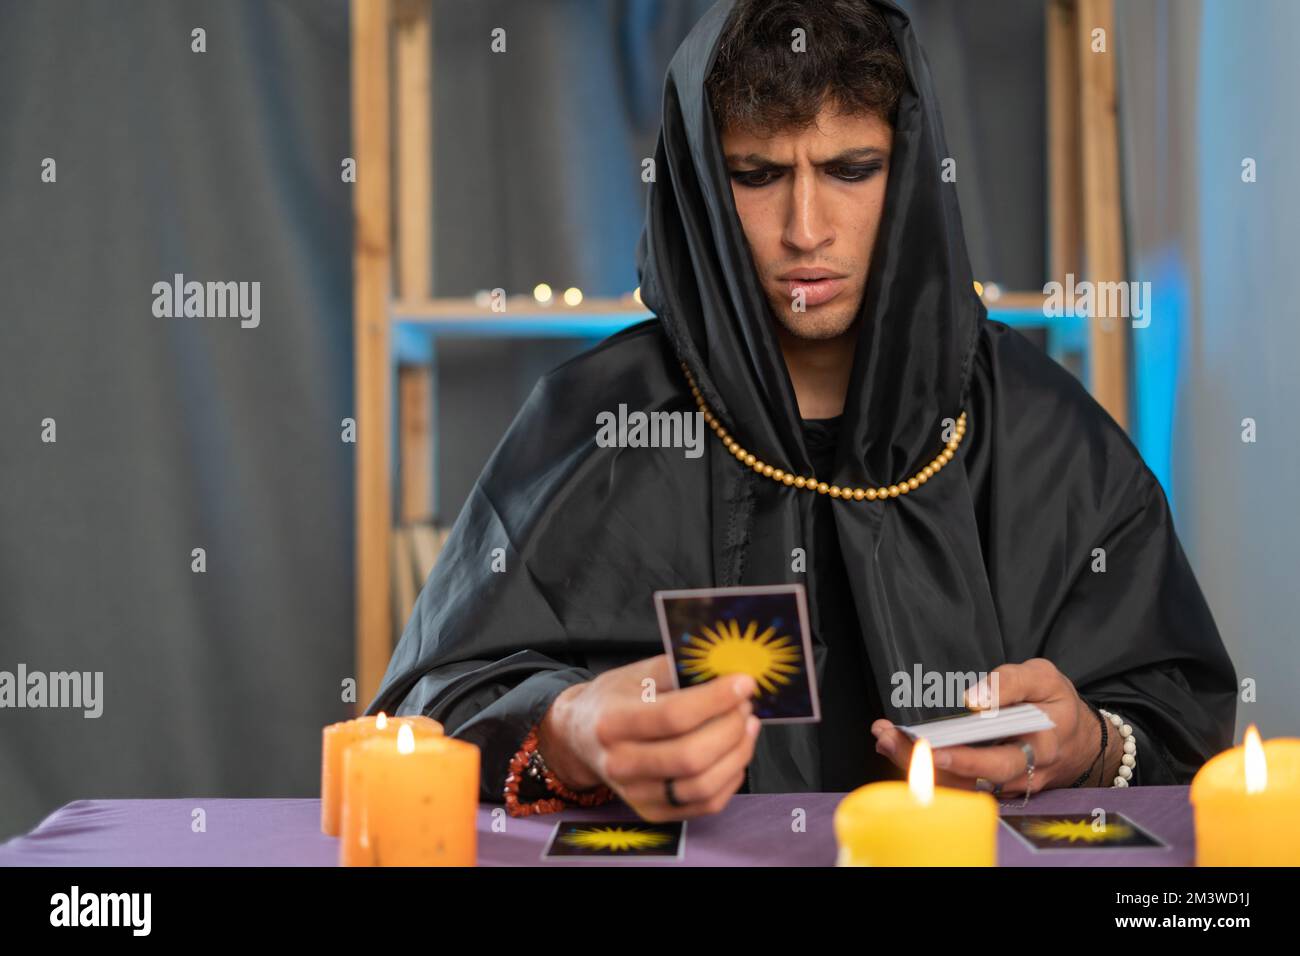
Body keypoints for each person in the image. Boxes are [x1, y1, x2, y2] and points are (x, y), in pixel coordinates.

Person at [365, 0, 1236, 822]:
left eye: (851, 169)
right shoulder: (593, 420)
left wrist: (1090, 744)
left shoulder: (1042, 429)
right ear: (705, 188)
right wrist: (566, 730)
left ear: (909, 172)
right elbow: (424, 711)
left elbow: (1178, 721)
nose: (805, 228)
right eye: (757, 176)